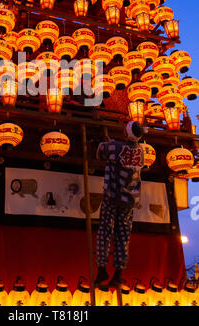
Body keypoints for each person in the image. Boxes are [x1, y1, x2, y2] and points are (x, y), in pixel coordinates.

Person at [95, 121, 146, 287]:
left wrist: (106, 141)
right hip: (129, 200)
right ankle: (118, 273)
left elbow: (100, 151)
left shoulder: (114, 147)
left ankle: (102, 269)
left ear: (126, 133)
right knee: (123, 235)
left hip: (112, 195)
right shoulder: (141, 151)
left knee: (105, 230)